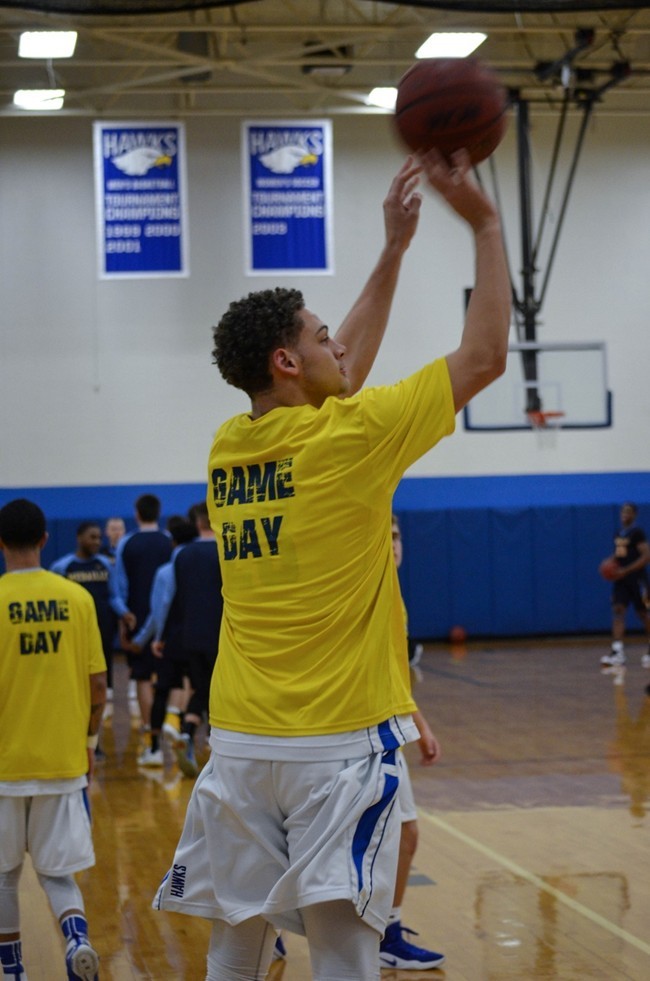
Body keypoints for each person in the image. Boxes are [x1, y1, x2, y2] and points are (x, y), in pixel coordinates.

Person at [154, 149, 510, 981]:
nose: (340, 350)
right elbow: (486, 354)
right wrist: (485, 225)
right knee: (346, 953)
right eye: (320, 340)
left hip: (240, 741)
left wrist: (392, 251)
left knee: (234, 947)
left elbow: (339, 365)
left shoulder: (229, 445)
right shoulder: (354, 437)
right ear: (287, 361)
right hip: (334, 748)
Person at [0, 499, 107, 981]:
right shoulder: (77, 599)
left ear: (1, 543)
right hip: (64, 762)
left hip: (3, 766)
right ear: (46, 540)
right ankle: (77, 941)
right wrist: (89, 741)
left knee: (3, 877)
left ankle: (15, 971)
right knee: (58, 873)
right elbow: (99, 687)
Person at [380, 514, 444, 971]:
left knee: (405, 834)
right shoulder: (369, 592)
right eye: (385, 535)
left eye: (398, 535)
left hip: (390, 724)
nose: (394, 543)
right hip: (362, 731)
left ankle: (388, 930)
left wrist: (418, 721)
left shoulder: (394, 597)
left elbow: (394, 677)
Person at [128, 516, 197, 768]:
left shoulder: (166, 571)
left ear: (173, 541)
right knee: (200, 688)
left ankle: (155, 749)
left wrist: (151, 639)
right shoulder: (204, 563)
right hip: (197, 637)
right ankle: (188, 730)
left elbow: (160, 610)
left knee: (163, 690)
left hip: (170, 639)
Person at [164, 501, 223, 777]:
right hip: (220, 635)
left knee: (201, 689)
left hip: (190, 636)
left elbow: (177, 599)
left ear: (198, 522)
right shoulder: (224, 551)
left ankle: (187, 734)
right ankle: (221, 749)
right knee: (220, 691)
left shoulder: (183, 555)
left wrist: (166, 636)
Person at [50, 520, 122, 740]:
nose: (97, 541)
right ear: (79, 538)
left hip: (103, 629)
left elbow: (114, 595)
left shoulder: (104, 564)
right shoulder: (62, 567)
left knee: (100, 675)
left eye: (99, 538)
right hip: (73, 633)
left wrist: (124, 613)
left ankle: (96, 730)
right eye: (92, 537)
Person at [113, 494, 173, 733]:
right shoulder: (169, 540)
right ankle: (169, 725)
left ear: (137, 514)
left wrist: (124, 617)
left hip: (136, 618)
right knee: (170, 678)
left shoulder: (126, 543)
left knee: (142, 678)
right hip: (167, 620)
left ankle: (150, 732)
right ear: (158, 513)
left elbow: (119, 587)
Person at [600, 502, 650, 669]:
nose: (624, 515)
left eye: (628, 512)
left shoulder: (637, 533)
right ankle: (617, 652)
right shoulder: (619, 533)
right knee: (618, 609)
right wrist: (610, 561)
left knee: (643, 614)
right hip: (621, 579)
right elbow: (620, 555)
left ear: (634, 515)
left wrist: (626, 570)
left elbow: (646, 557)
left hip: (636, 578)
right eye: (623, 511)